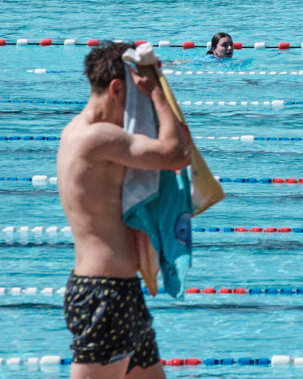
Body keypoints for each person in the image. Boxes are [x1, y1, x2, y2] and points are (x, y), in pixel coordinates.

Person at [57, 42, 191, 379]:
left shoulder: (78, 132)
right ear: (116, 89)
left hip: (119, 291)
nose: (137, 114)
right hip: (103, 293)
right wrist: (156, 91)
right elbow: (176, 154)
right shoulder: (96, 137)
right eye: (137, 101)